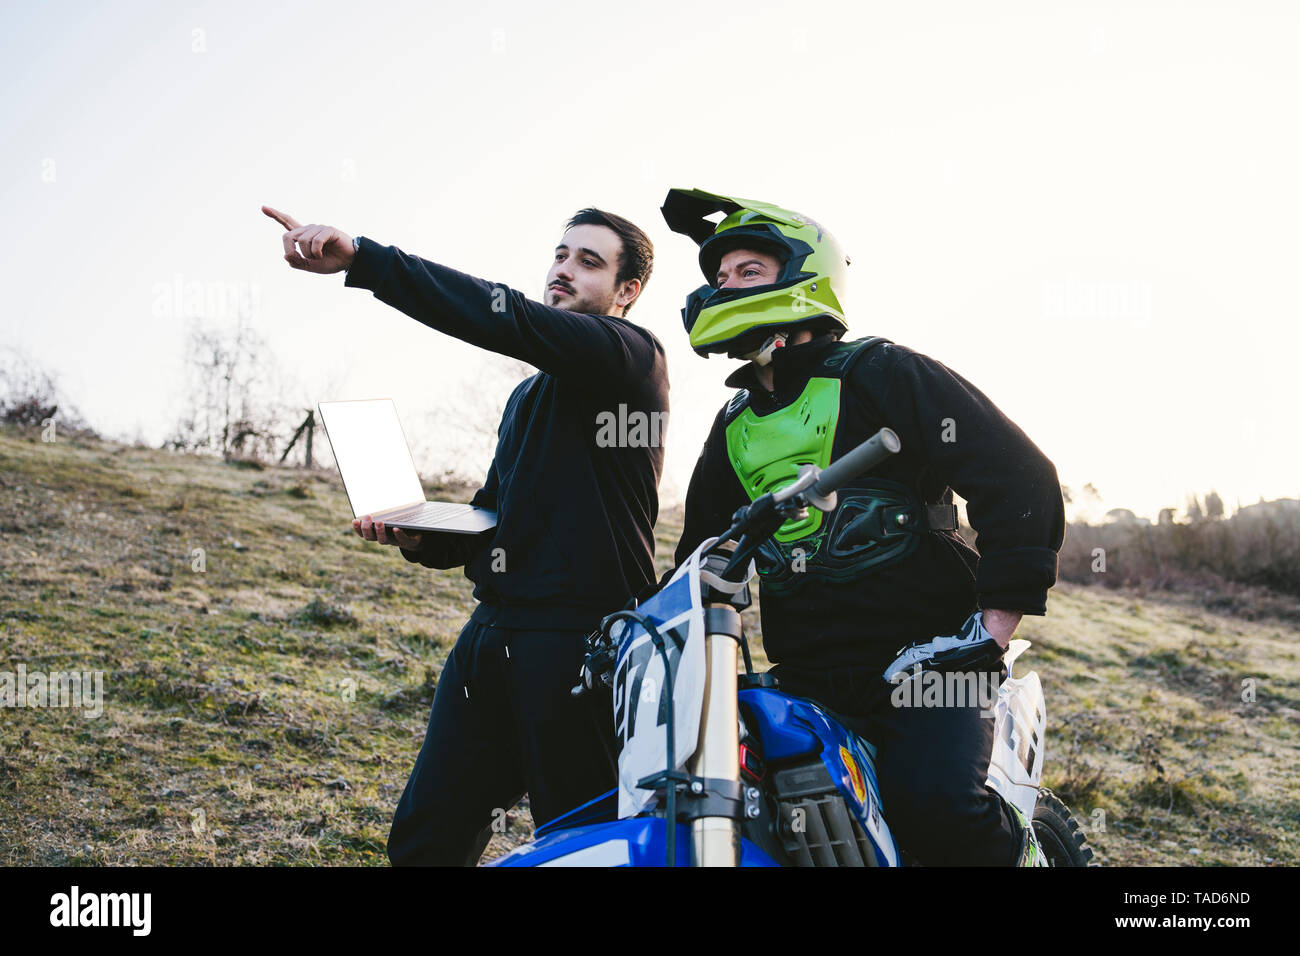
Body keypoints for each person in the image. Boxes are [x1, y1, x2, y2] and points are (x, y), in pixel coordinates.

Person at [659, 188, 1065, 866]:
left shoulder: (883, 371)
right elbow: (702, 554)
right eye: (719, 277)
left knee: (938, 811)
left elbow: (1018, 474)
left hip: (933, 663)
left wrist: (985, 635)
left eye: (747, 271)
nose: (725, 287)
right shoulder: (733, 424)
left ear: (804, 275)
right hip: (808, 676)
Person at [262, 203, 668, 865]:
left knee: (580, 847)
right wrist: (418, 533)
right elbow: (491, 520)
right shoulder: (528, 398)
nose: (564, 271)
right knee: (428, 835)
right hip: (490, 639)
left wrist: (365, 259)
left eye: (589, 262)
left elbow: (499, 313)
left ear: (628, 292)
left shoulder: (631, 358)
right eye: (561, 255)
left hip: (579, 645)